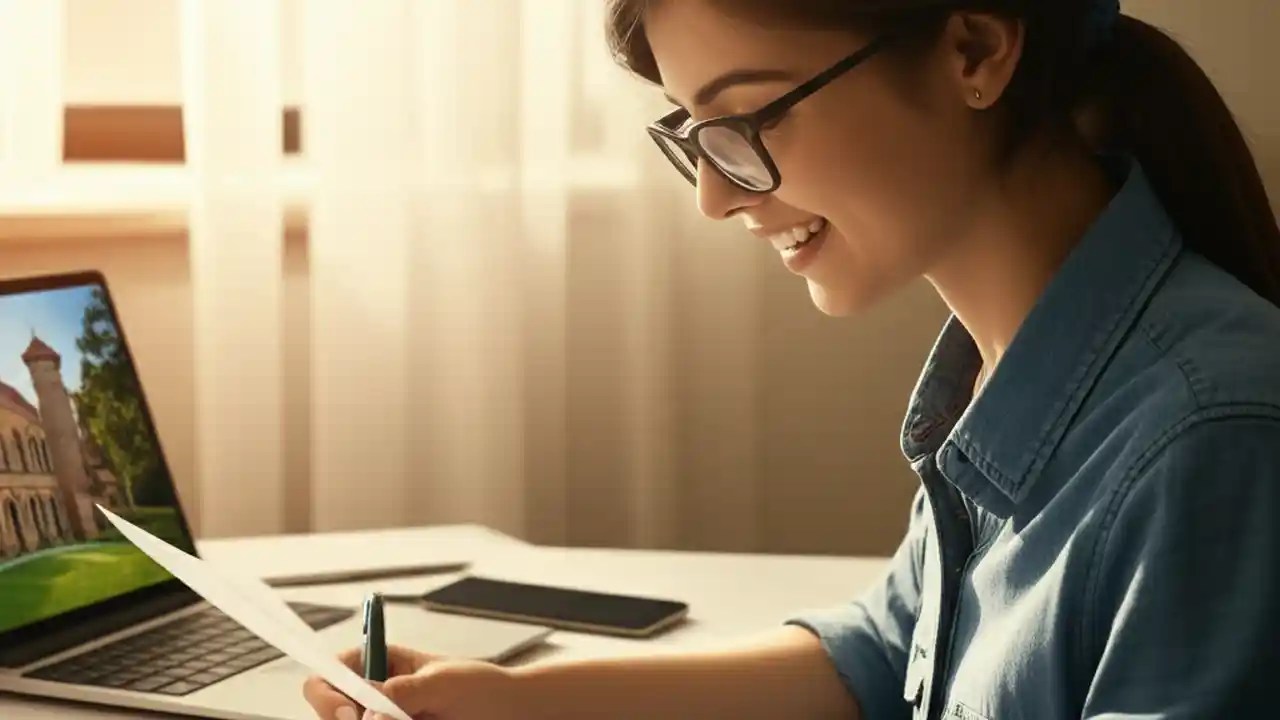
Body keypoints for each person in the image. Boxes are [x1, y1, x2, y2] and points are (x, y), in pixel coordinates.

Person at [304, 0, 1280, 718]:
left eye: (754, 118)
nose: (715, 198)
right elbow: (882, 655)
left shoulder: (1208, 437)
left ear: (973, 49)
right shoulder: (1014, 373)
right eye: (694, 136)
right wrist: (513, 704)